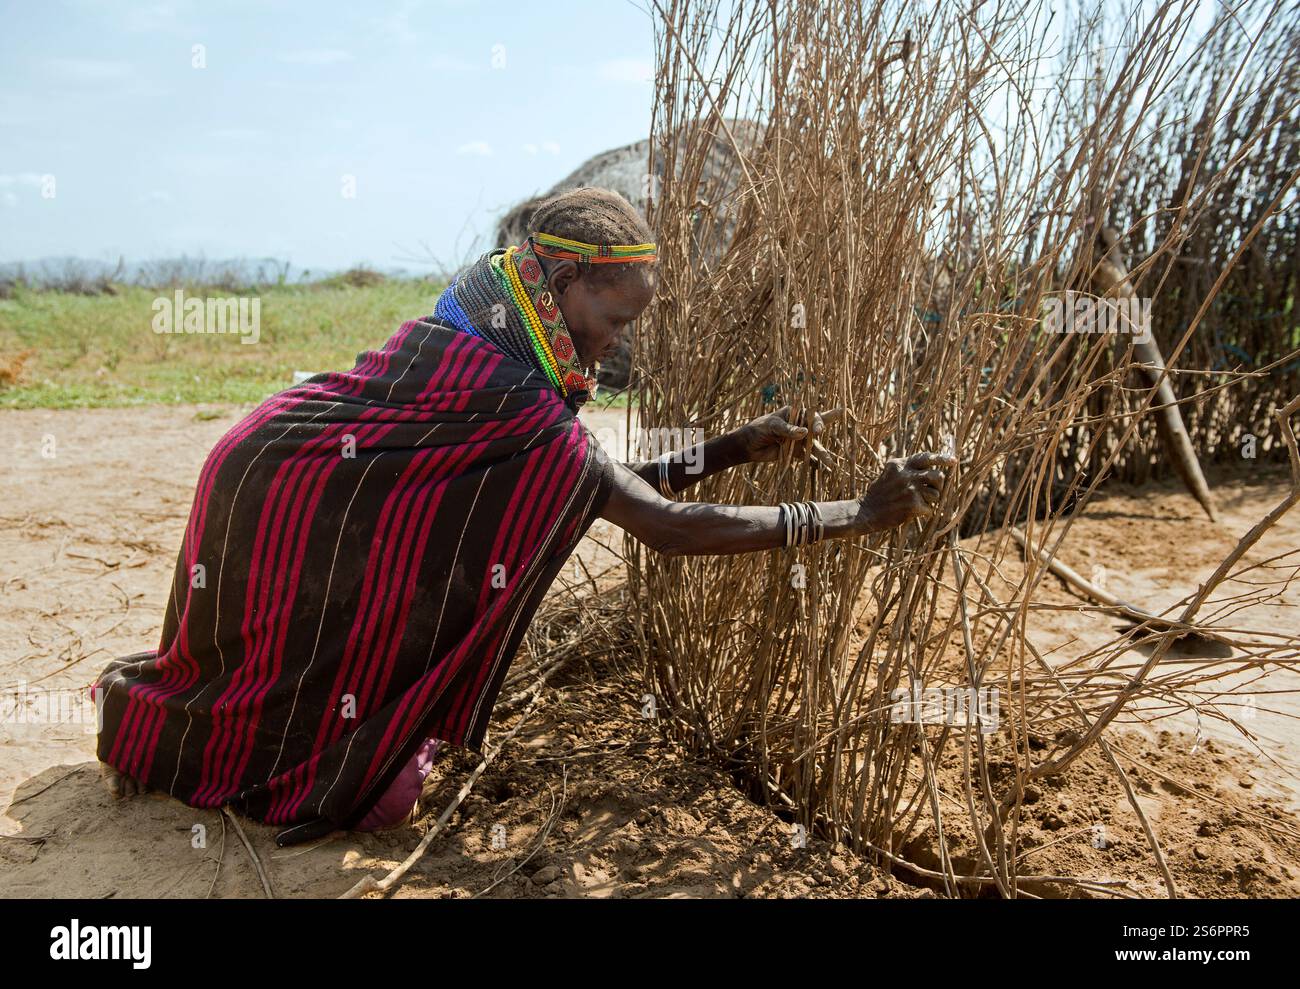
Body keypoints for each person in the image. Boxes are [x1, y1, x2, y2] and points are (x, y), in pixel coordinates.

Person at [93, 187, 953, 844]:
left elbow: (589, 488)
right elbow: (661, 524)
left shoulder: (490, 321)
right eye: (614, 320)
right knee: (375, 790)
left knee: (360, 722)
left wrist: (731, 447)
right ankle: (172, 721)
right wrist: (859, 512)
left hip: (279, 471)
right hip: (281, 499)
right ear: (569, 282)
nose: (616, 343)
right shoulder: (513, 392)